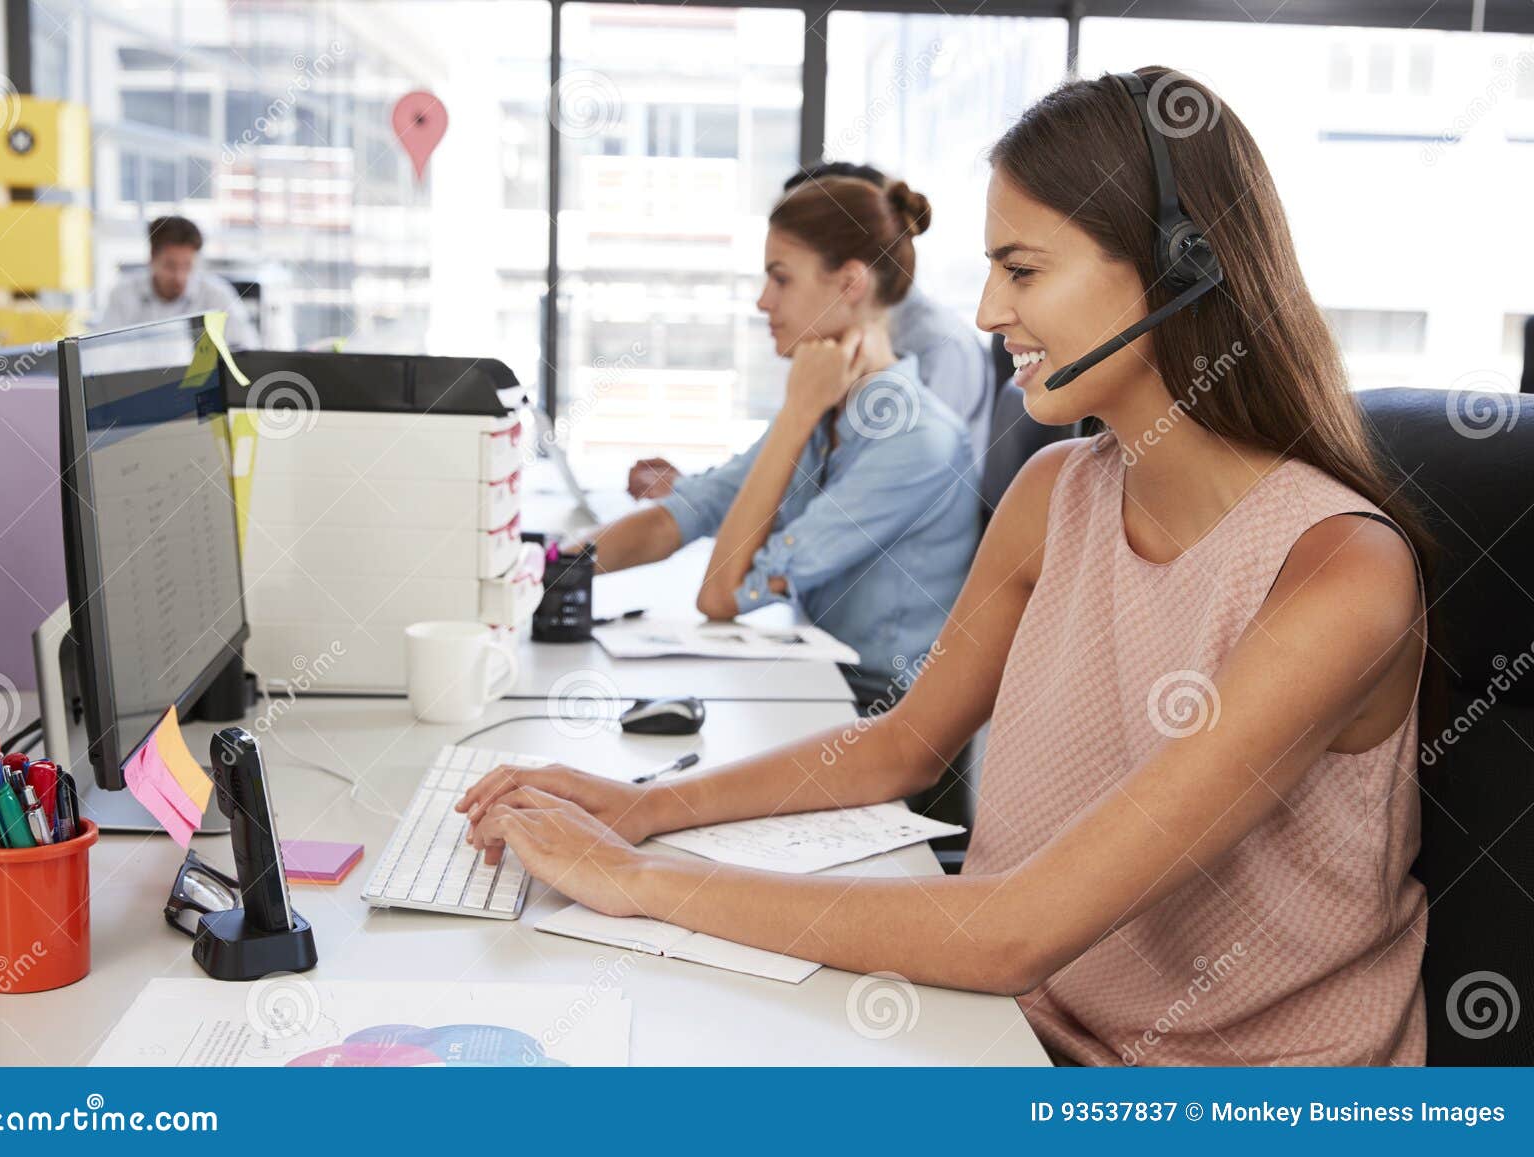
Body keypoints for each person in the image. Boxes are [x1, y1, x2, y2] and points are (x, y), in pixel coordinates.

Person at [458, 67, 1435, 1067]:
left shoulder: (1338, 572)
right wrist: (643, 808)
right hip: (1019, 1032)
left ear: (1178, 269)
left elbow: (1015, 932)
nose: (984, 310)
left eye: (1022, 270)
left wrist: (638, 881)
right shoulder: (1054, 490)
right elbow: (902, 745)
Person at [582, 175, 978, 709]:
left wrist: (796, 413)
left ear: (850, 283)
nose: (763, 301)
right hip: (821, 685)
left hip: (879, 713)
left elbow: (721, 595)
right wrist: (540, 570)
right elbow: (683, 514)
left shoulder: (916, 442)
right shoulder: (831, 408)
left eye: (781, 278)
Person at [627, 162, 994, 499]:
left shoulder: (936, 348)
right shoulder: (837, 359)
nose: (764, 301)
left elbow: (888, 483)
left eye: (783, 277)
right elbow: (791, 477)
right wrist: (696, 495)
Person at [99, 216, 261, 346]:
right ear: (152, 257)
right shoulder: (123, 294)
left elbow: (246, 348)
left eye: (187, 266)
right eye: (170, 266)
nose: (179, 276)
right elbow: (103, 352)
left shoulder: (217, 294)